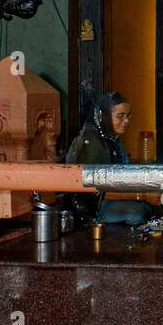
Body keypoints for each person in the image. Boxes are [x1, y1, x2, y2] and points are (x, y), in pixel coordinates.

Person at [65, 91, 152, 227]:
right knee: (137, 213)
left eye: (128, 115)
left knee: (147, 207)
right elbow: (94, 190)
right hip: (90, 209)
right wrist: (138, 195)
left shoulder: (112, 139)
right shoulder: (91, 143)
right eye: (120, 116)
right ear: (103, 116)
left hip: (107, 198)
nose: (126, 120)